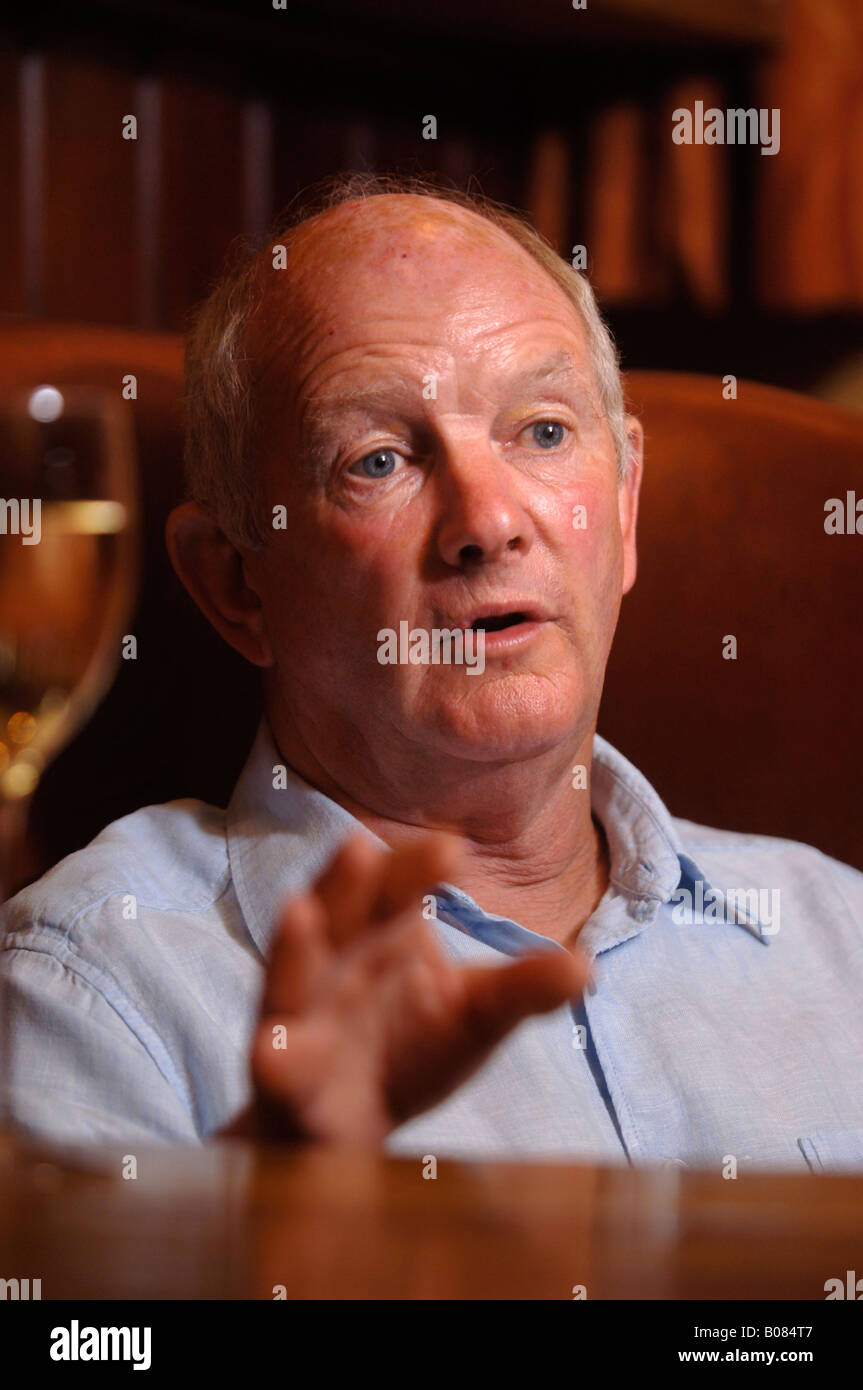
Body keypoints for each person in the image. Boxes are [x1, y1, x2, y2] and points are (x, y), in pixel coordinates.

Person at [2, 172, 862, 1174]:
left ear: (623, 510)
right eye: (376, 460)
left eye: (541, 430)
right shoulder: (95, 991)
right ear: (237, 583)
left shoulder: (838, 938)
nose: (488, 523)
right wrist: (262, 1223)